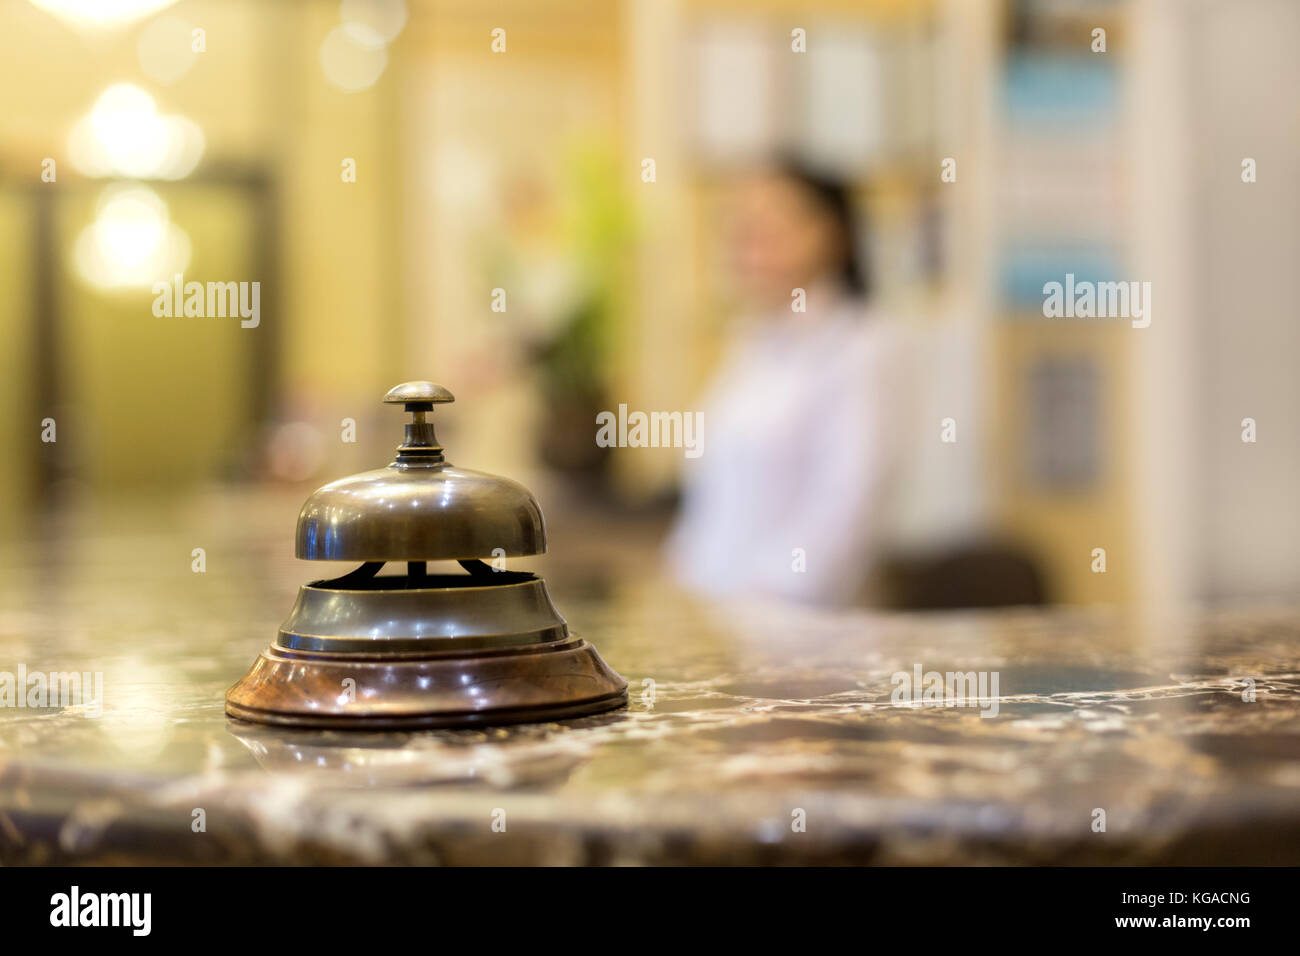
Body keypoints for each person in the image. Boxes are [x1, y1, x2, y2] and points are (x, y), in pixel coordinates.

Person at [664, 159, 906, 606]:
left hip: (797, 635)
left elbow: (846, 511)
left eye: (769, 229)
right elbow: (711, 506)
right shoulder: (752, 346)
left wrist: (753, 609)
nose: (748, 247)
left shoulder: (858, 349)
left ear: (833, 236)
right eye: (740, 231)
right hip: (713, 628)